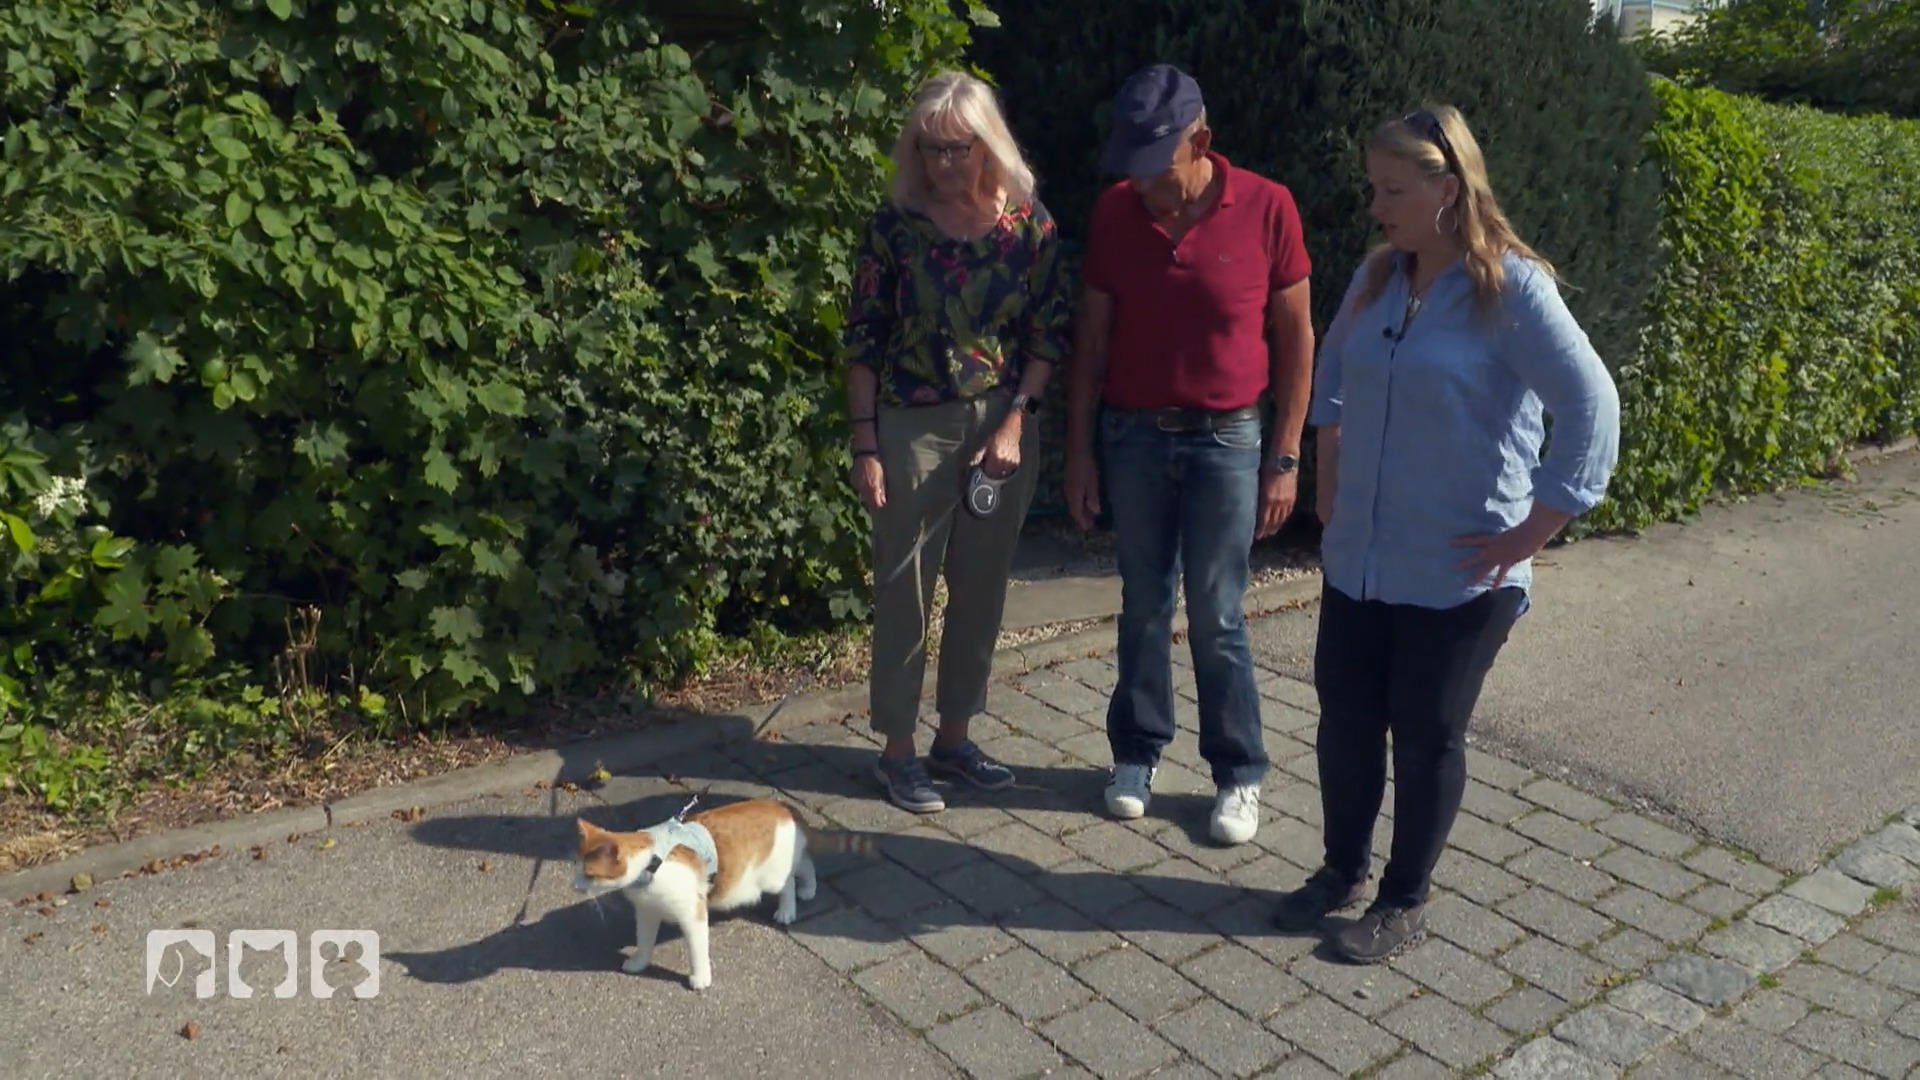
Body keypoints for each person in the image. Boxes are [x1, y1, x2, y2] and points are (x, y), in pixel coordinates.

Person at [1271, 105, 1621, 963]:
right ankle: (1341, 871)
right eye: (1373, 188)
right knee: (1346, 721)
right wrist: (1329, 472)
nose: (1377, 206)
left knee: (1425, 733)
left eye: (1393, 189)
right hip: (1361, 556)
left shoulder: (1512, 288)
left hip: (1461, 570)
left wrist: (1532, 531)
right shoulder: (1378, 277)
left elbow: (1593, 408)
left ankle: (1402, 900)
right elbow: (1335, 373)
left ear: (1448, 187)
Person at [1065, 64, 1316, 846]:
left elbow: (1297, 338)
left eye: (1157, 168)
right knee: (1143, 602)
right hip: (1133, 436)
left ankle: (1239, 773)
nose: (1142, 185)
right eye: (1131, 169)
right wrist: (1079, 451)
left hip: (1228, 439)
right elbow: (1092, 342)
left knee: (1217, 612)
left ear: (1200, 141)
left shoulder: (1268, 207)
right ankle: (1136, 753)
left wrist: (1285, 453)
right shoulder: (1115, 213)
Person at [841, 71, 1071, 814]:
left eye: (956, 147)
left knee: (982, 586)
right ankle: (898, 750)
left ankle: (955, 736)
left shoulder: (1029, 225)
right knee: (904, 590)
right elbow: (863, 338)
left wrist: (1016, 419)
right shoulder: (895, 225)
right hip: (913, 424)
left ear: (987, 144)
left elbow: (1049, 332)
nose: (942, 162)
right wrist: (865, 443)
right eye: (929, 147)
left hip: (1001, 425)